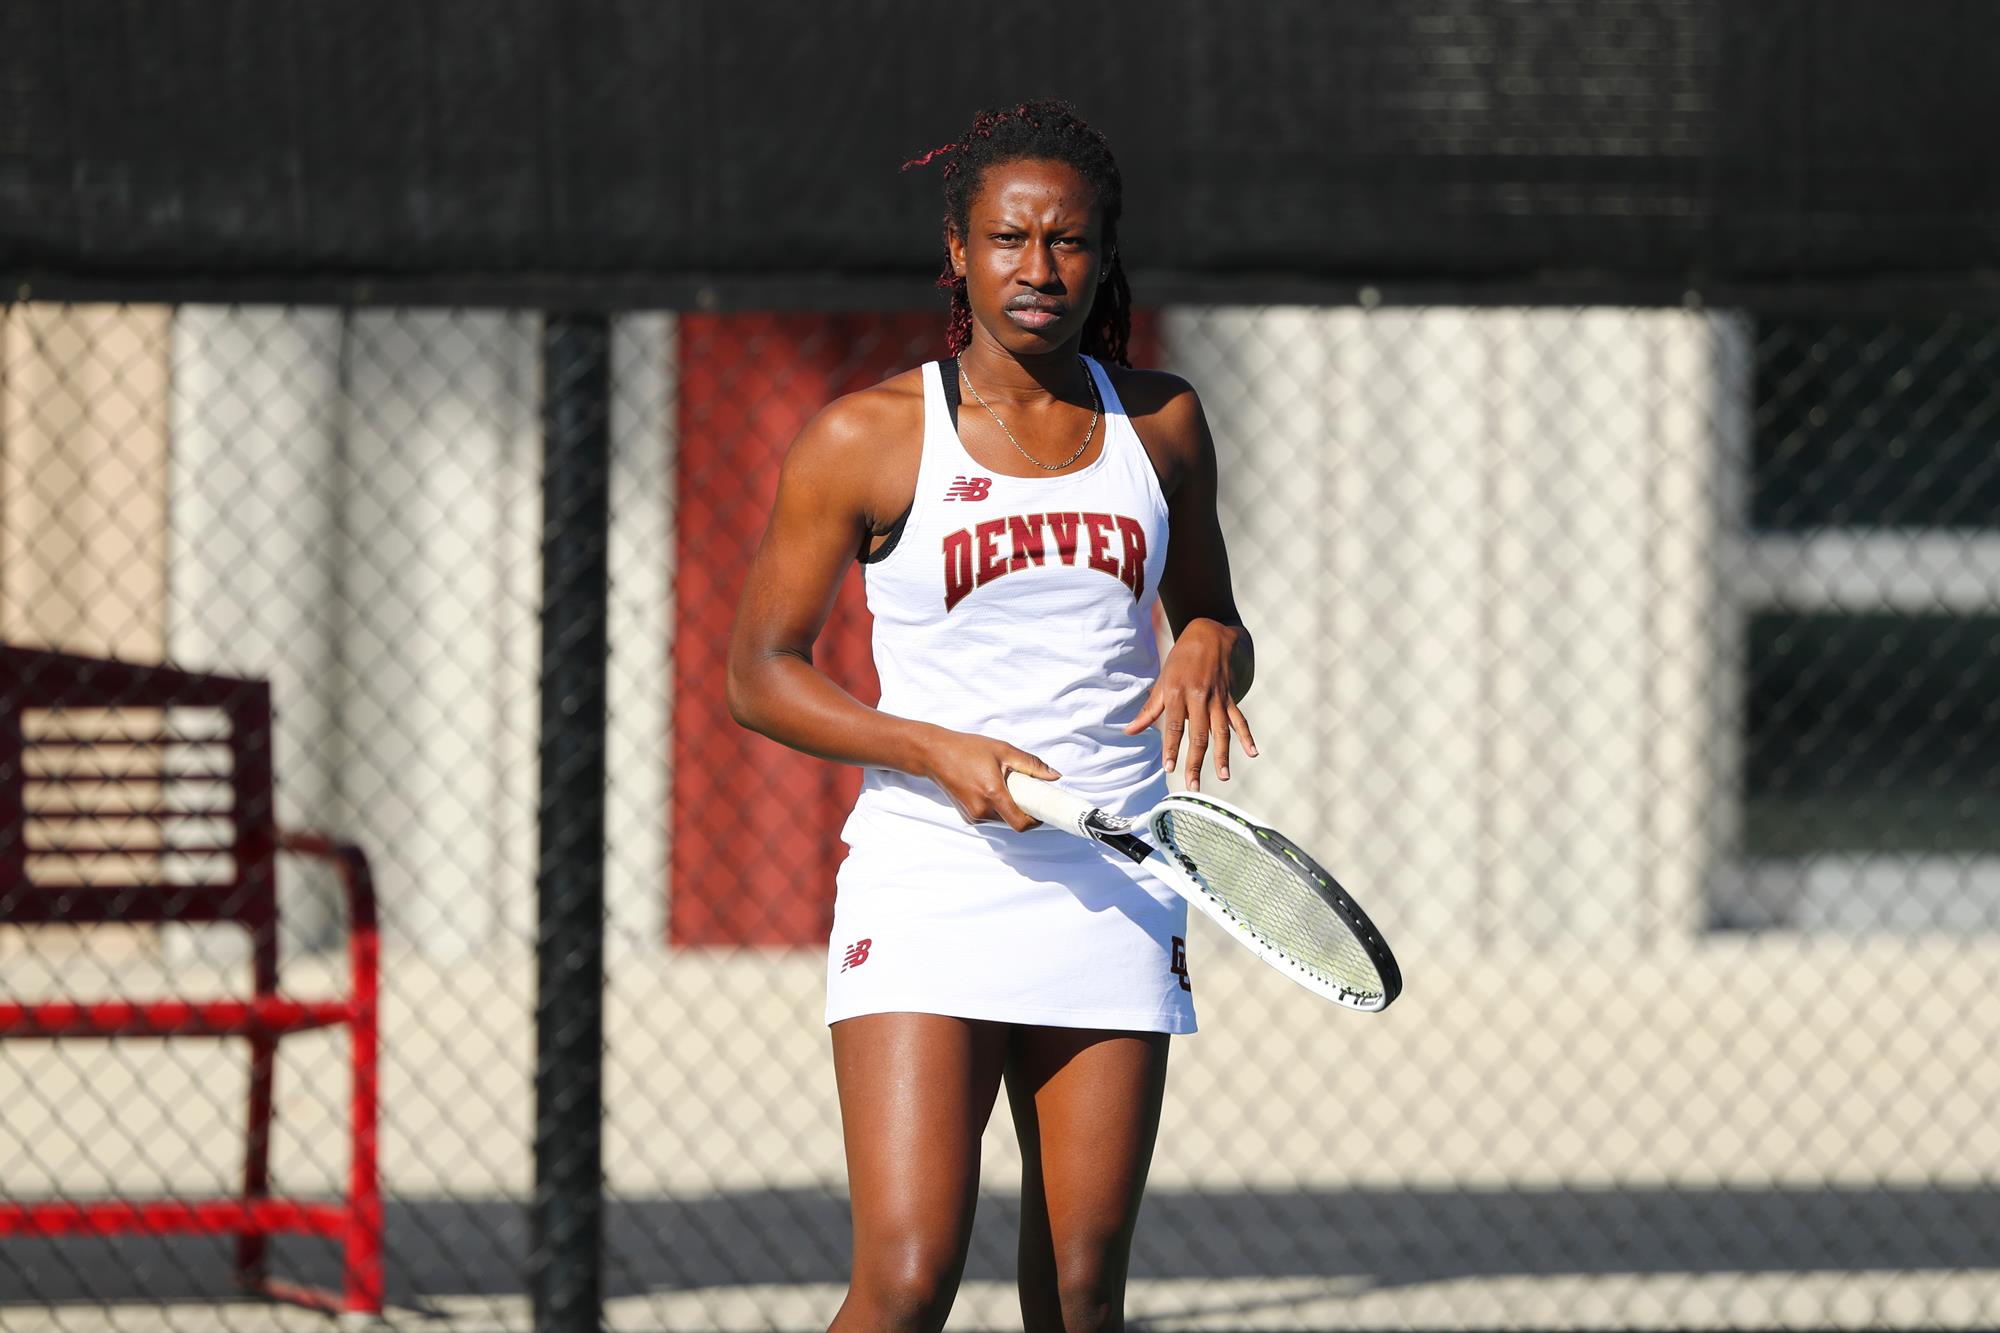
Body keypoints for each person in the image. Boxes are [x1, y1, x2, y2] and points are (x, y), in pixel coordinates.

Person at [727, 99, 1256, 1333]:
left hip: (1116, 873)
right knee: (908, 1276)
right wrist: (932, 750)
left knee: (1078, 1292)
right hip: (932, 877)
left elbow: (1214, 620)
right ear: (956, 252)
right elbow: (759, 672)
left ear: (1103, 255)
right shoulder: (865, 436)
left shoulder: (1161, 423)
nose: (1038, 267)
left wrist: (1209, 643)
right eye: (1007, 239)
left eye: (1067, 241)